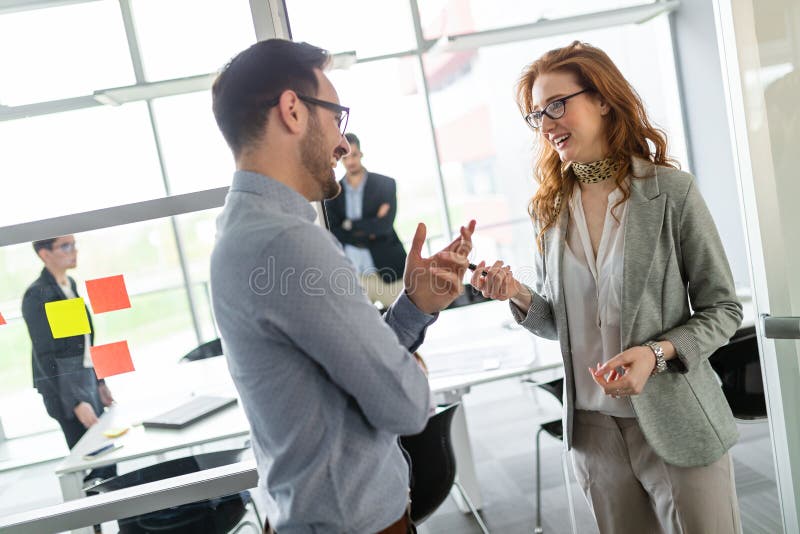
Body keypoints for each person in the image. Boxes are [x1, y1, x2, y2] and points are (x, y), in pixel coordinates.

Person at [470, 41, 743, 534]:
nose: (547, 123)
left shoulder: (671, 193)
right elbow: (561, 324)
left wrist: (655, 354)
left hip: (676, 417)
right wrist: (517, 293)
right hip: (593, 431)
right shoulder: (548, 210)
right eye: (537, 114)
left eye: (558, 104)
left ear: (601, 98)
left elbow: (722, 308)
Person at [209, 39, 474, 533]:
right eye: (336, 117)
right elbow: (406, 404)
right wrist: (407, 367)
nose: (341, 143)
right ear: (292, 110)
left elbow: (341, 381)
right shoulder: (288, 241)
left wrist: (413, 305)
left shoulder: (241, 229)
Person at [21, 235, 116, 484]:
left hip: (84, 379)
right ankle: (93, 521)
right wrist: (75, 402)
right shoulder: (37, 294)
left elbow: (81, 343)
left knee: (106, 458)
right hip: (63, 388)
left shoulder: (67, 284)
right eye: (65, 246)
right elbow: (47, 356)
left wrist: (99, 381)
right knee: (91, 462)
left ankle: (107, 517)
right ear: (45, 254)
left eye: (74, 244)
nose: (74, 251)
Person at [325, 132, 406, 308]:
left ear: (361, 154)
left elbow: (384, 227)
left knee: (404, 323)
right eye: (345, 157)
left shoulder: (386, 185)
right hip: (353, 276)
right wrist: (371, 225)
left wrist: (349, 225)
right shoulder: (332, 194)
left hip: (387, 269)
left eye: (354, 155)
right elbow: (335, 232)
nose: (350, 161)